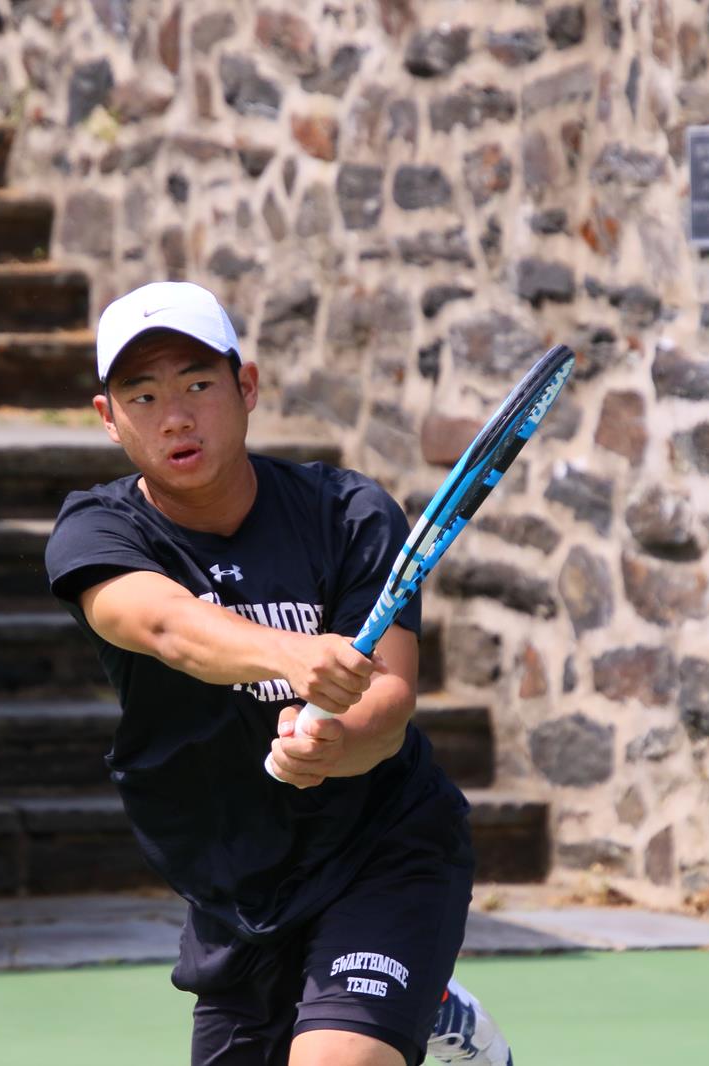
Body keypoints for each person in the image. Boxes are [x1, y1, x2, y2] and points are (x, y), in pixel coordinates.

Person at [45, 281, 515, 1066]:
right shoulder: (96, 531)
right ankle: (437, 1015)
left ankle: (404, 1004)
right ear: (108, 417)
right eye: (145, 394)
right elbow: (164, 625)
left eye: (199, 385)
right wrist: (296, 655)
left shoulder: (349, 514)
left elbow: (391, 701)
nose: (177, 416)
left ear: (247, 386)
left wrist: (336, 746)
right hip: (237, 885)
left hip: (383, 848)